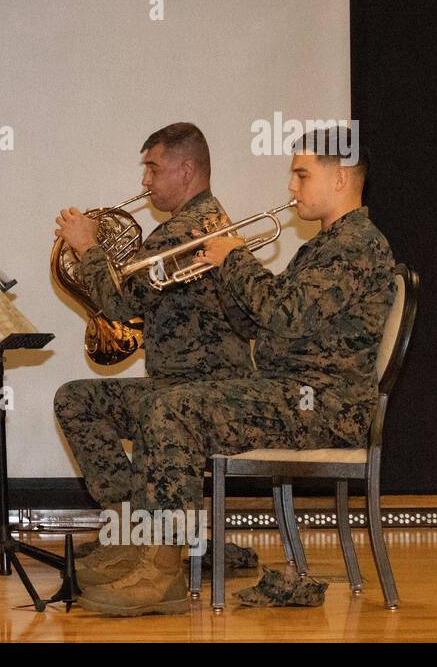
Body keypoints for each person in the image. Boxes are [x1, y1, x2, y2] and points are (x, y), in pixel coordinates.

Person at [77, 126, 395, 616]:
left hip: (324, 405)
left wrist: (234, 256)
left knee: (174, 408)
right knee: (168, 404)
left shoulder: (357, 245)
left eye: (301, 174)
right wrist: (221, 268)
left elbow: (284, 313)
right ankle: (150, 552)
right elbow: (258, 324)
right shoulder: (326, 245)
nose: (291, 187)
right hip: (290, 392)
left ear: (340, 178)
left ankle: (162, 573)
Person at [53, 123, 252, 583]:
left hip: (196, 390)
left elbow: (121, 304)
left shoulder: (181, 233)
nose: (145, 182)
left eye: (152, 168)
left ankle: (135, 532)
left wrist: (86, 245)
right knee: (85, 398)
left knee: (74, 401)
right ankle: (134, 529)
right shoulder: (207, 219)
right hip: (190, 382)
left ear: (185, 171)